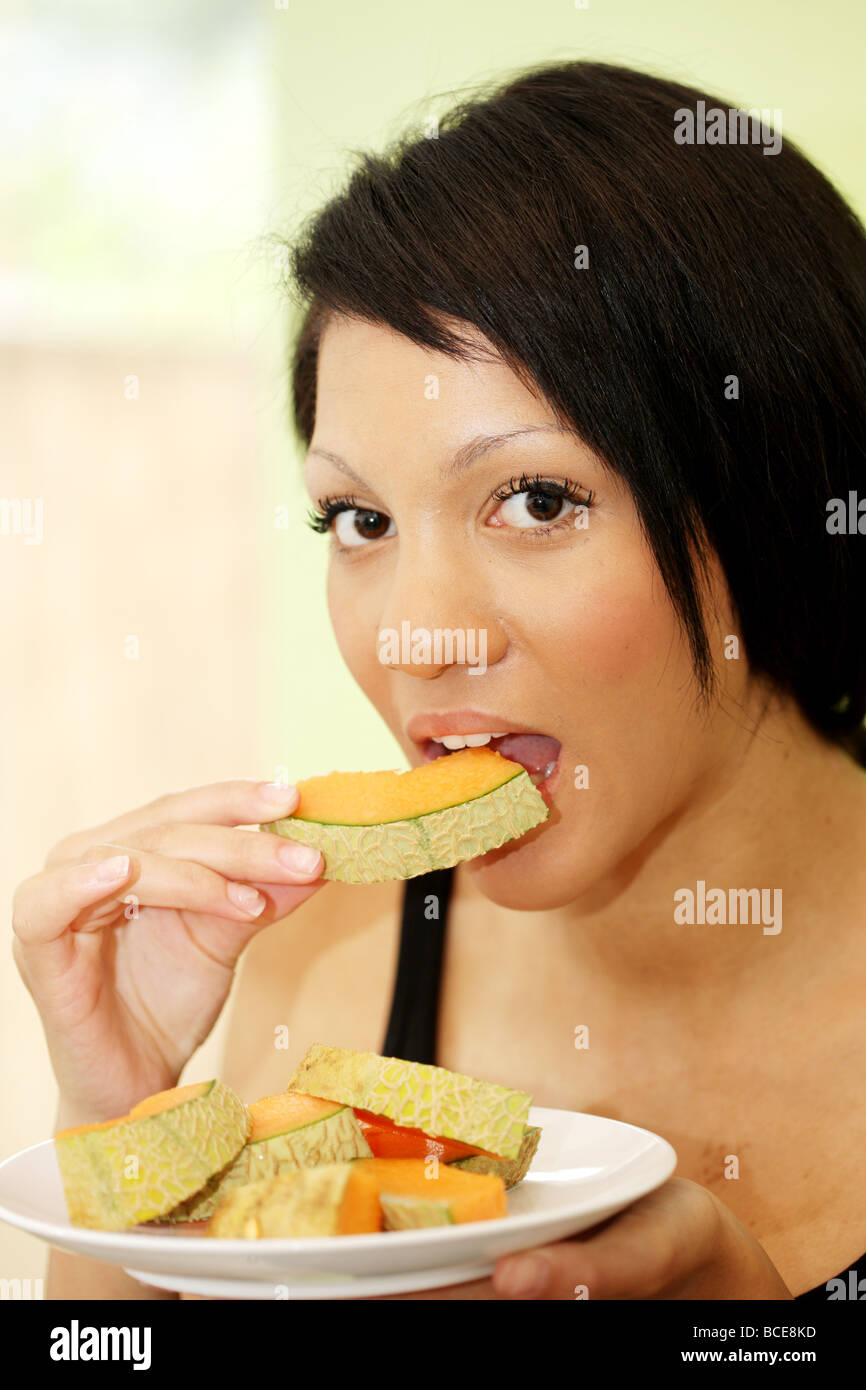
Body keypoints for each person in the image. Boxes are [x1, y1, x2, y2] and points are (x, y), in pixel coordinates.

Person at [13, 60, 866, 1300]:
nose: (413, 636)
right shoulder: (323, 972)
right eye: (357, 519)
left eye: (532, 499)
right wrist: (133, 1126)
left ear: (766, 495)